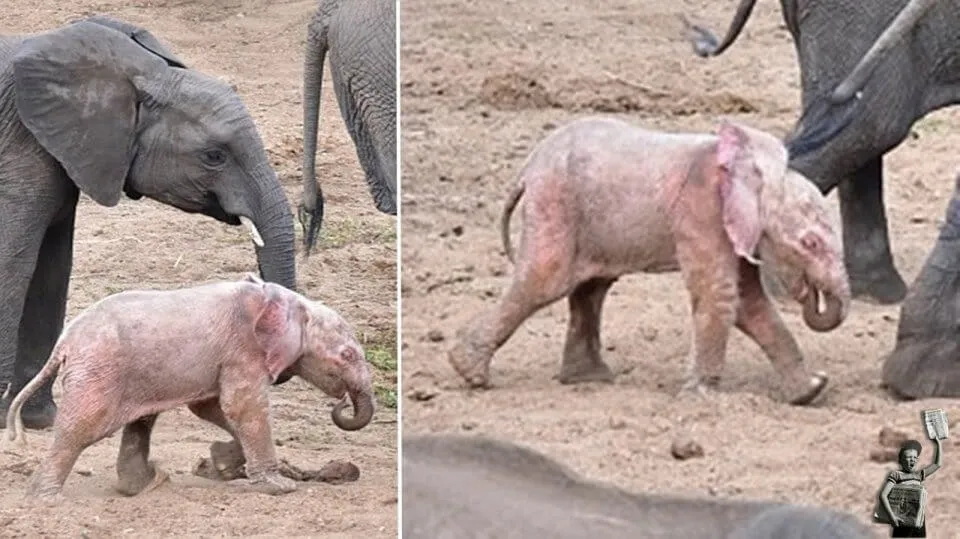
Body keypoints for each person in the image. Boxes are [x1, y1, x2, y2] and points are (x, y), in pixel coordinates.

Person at [876, 438, 943, 537]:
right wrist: (892, 517)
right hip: (901, 520)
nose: (912, 460)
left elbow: (937, 464)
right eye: (908, 457)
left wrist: (938, 444)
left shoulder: (919, 475)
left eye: (915, 457)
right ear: (901, 460)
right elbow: (883, 495)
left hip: (918, 522)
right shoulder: (896, 475)